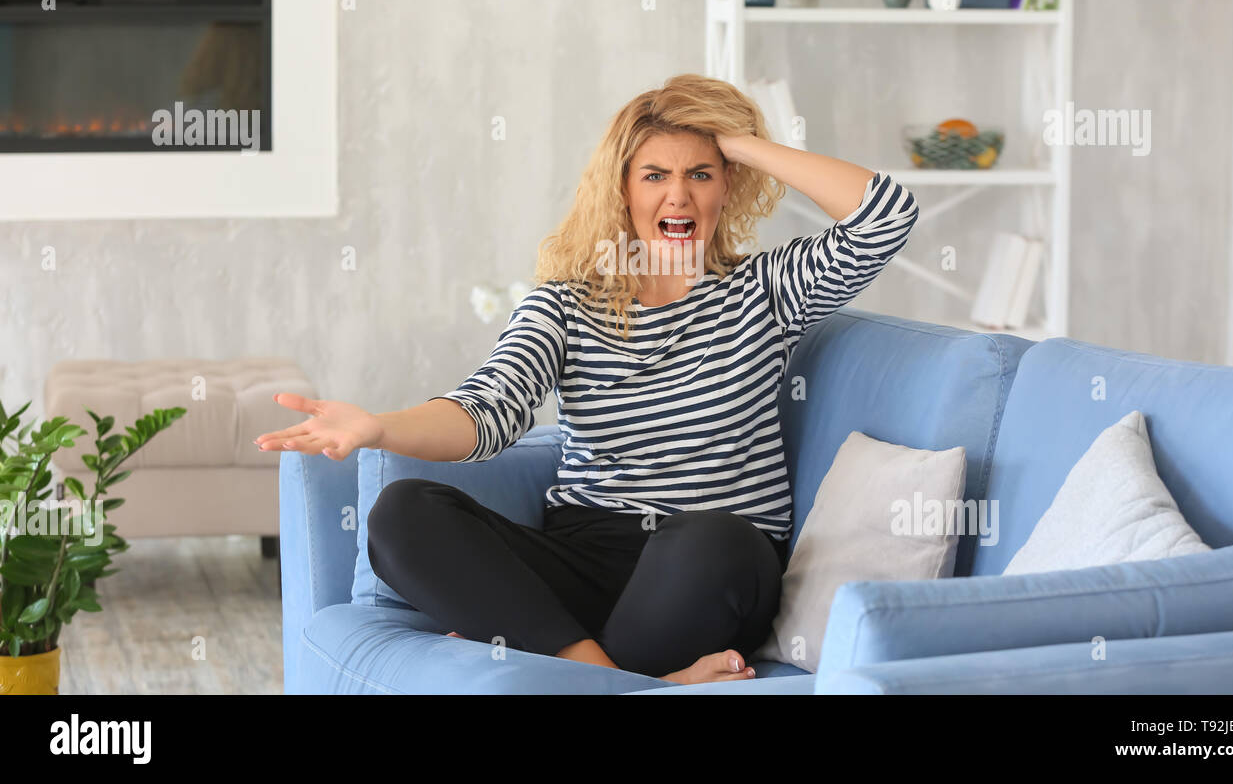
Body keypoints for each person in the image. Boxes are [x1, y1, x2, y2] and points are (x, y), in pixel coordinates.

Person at [255, 73, 919, 685]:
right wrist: (379, 426)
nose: (678, 194)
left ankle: (560, 662)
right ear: (622, 188)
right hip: (586, 556)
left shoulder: (766, 290)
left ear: (730, 186)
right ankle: (632, 680)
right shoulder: (566, 303)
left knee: (716, 540)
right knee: (401, 514)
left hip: (707, 570)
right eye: (654, 174)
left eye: (702, 174)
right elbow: (489, 411)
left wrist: (740, 141)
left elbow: (887, 215)